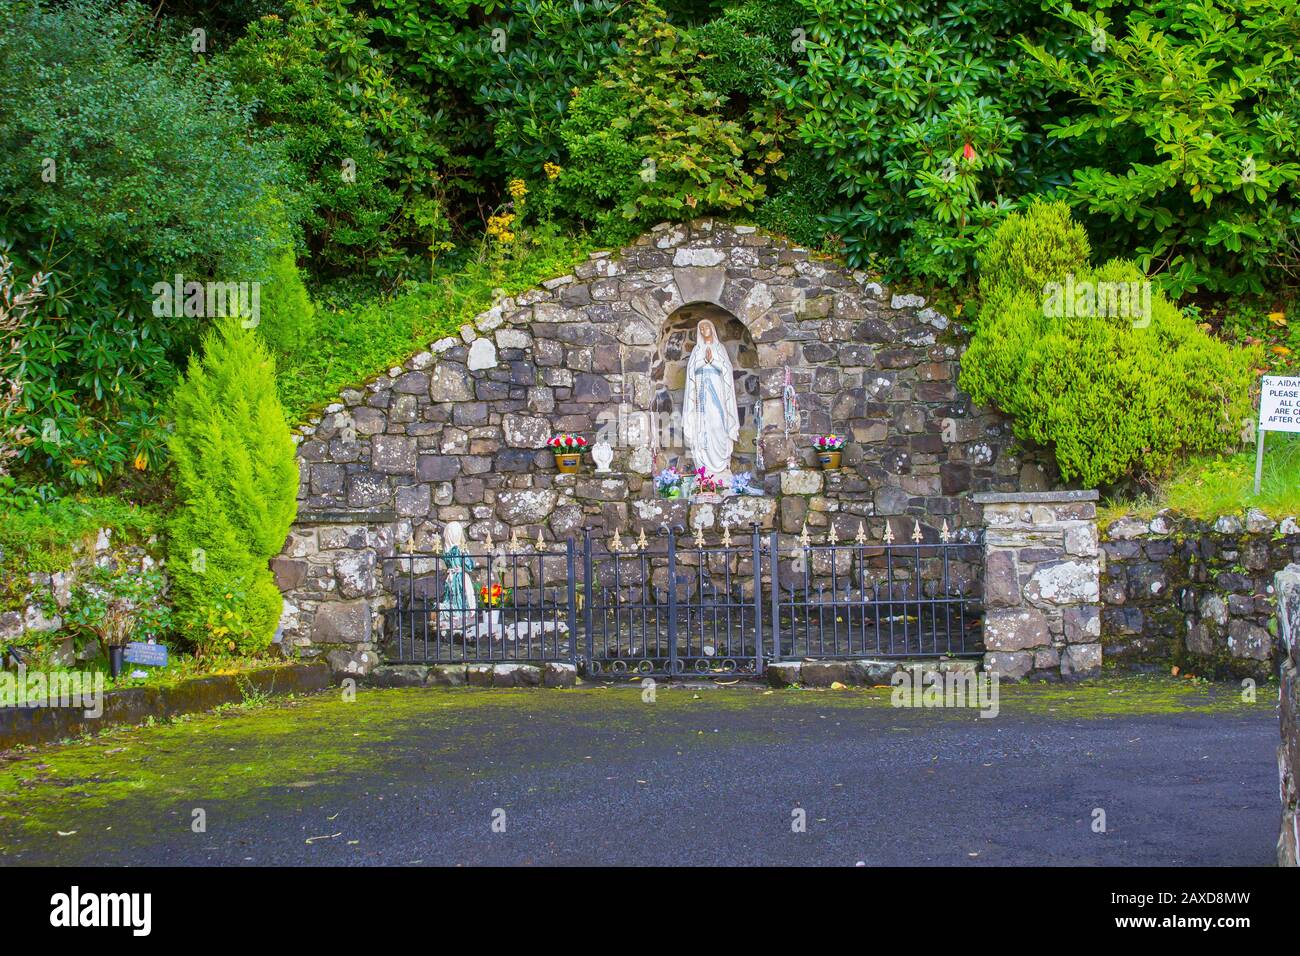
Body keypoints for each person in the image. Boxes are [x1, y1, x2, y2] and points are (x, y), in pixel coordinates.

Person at [682, 318, 739, 479]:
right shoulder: (697, 350)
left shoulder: (719, 348)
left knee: (718, 424)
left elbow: (727, 370)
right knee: (702, 426)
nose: (703, 330)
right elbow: (691, 372)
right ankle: (704, 469)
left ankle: (720, 467)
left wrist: (712, 361)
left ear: (712, 329)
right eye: (700, 328)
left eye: (706, 327)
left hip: (718, 394)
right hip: (701, 395)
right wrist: (703, 361)